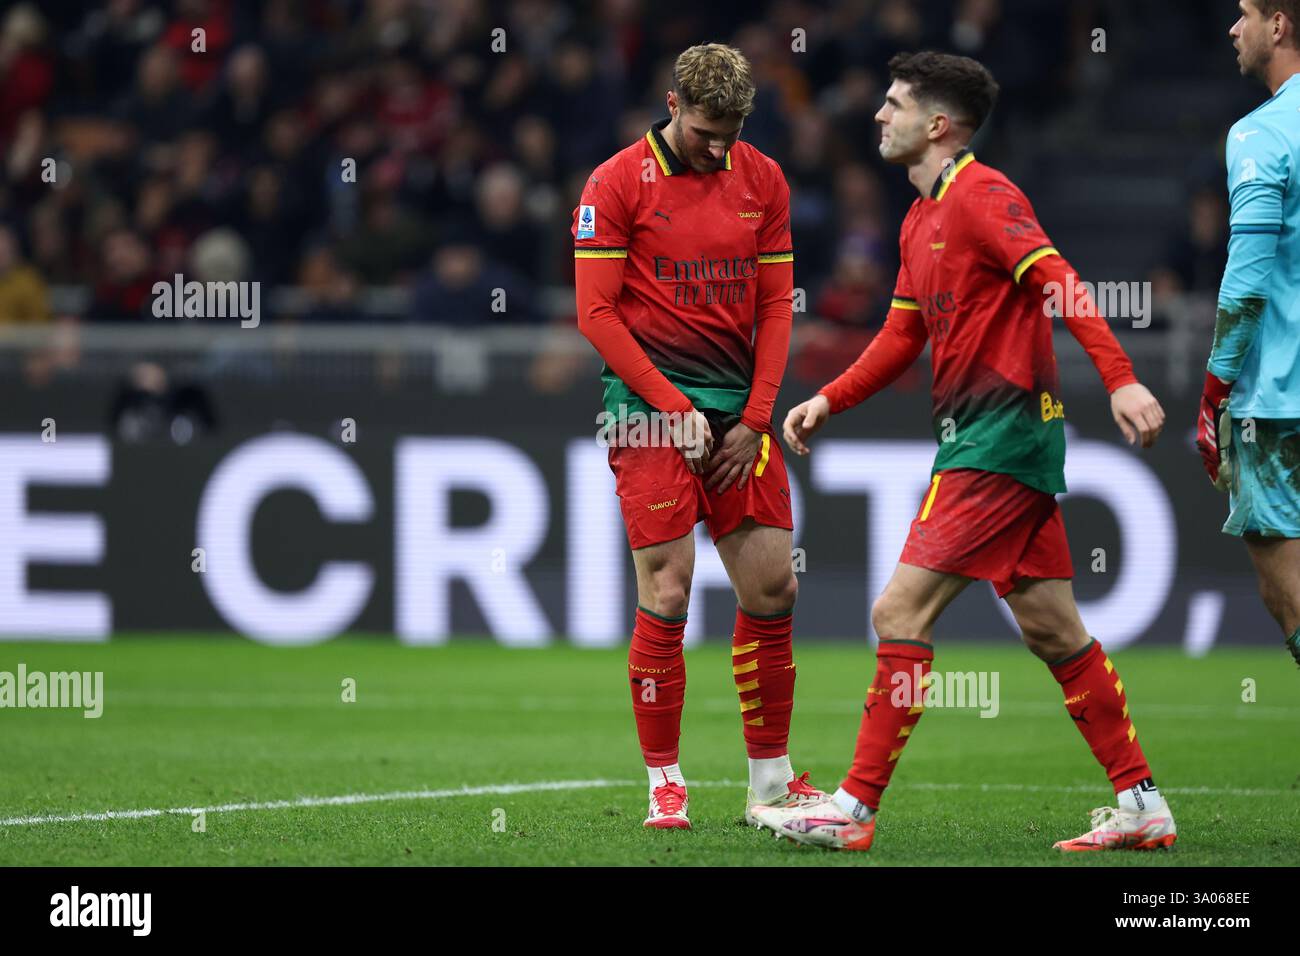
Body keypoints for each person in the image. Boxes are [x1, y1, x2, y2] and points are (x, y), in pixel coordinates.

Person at [757, 51, 1175, 852]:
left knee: (896, 611)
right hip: (991, 440)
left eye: (894, 104)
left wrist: (1120, 378)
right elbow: (901, 336)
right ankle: (1142, 801)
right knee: (1054, 629)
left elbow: (1060, 280)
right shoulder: (919, 220)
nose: (879, 115)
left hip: (1000, 440)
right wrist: (828, 398)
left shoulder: (983, 194)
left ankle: (852, 809)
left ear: (937, 125)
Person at [571, 43, 823, 830]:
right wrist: (669, 404)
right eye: (709, 130)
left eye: (735, 130)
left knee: (773, 588)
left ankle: (770, 784)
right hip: (647, 410)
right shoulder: (615, 183)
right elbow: (596, 314)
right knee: (669, 592)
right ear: (674, 104)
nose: (721, 147)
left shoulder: (764, 179)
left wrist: (755, 417)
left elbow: (779, 305)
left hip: (737, 417)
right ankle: (665, 780)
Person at [1198, 0, 1300, 669]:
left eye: (1244, 14)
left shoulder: (1259, 134)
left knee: (1287, 592)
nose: (1234, 29)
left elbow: (1247, 278)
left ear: (1279, 25)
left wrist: (1213, 390)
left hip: (1278, 397)